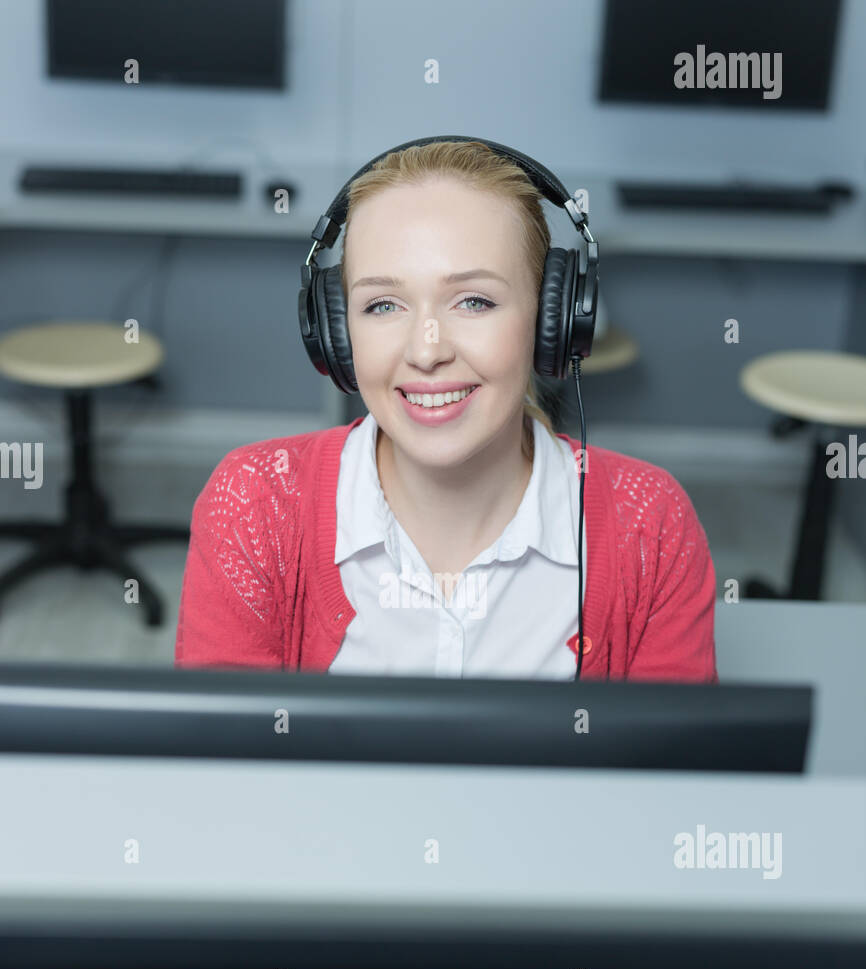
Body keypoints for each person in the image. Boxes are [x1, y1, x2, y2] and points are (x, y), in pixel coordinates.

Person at [175, 140, 717, 682]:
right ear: (337, 332)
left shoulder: (652, 525)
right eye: (382, 305)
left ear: (553, 316)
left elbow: (668, 765)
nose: (427, 350)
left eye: (474, 301)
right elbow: (220, 760)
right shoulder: (254, 504)